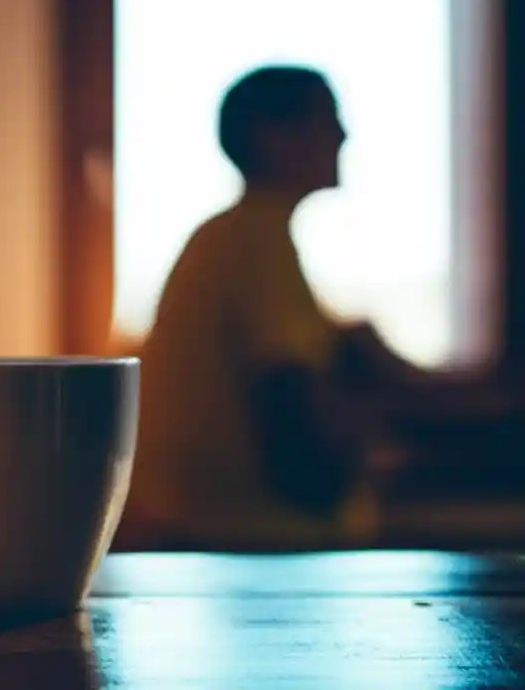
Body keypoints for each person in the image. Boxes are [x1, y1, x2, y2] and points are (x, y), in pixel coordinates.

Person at [128, 65, 418, 549]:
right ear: (271, 137)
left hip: (214, 527)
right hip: (254, 537)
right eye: (326, 119)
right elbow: (293, 407)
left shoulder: (232, 235)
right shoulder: (257, 239)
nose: (343, 135)